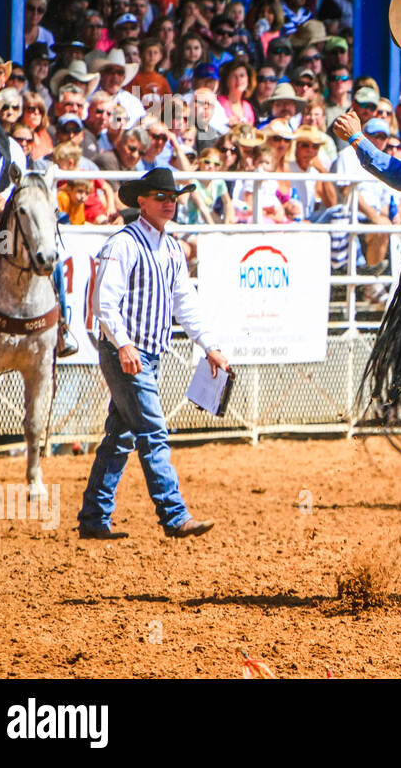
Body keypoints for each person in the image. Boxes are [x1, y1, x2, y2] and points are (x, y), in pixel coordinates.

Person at [78, 168, 231, 540]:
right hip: (128, 353)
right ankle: (174, 514)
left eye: (173, 197)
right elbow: (105, 302)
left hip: (143, 353)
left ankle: (94, 516)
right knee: (152, 431)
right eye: (161, 197)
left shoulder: (172, 248)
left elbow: (185, 302)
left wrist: (209, 344)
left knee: (121, 434)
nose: (169, 203)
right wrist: (124, 344)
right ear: (142, 201)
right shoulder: (124, 244)